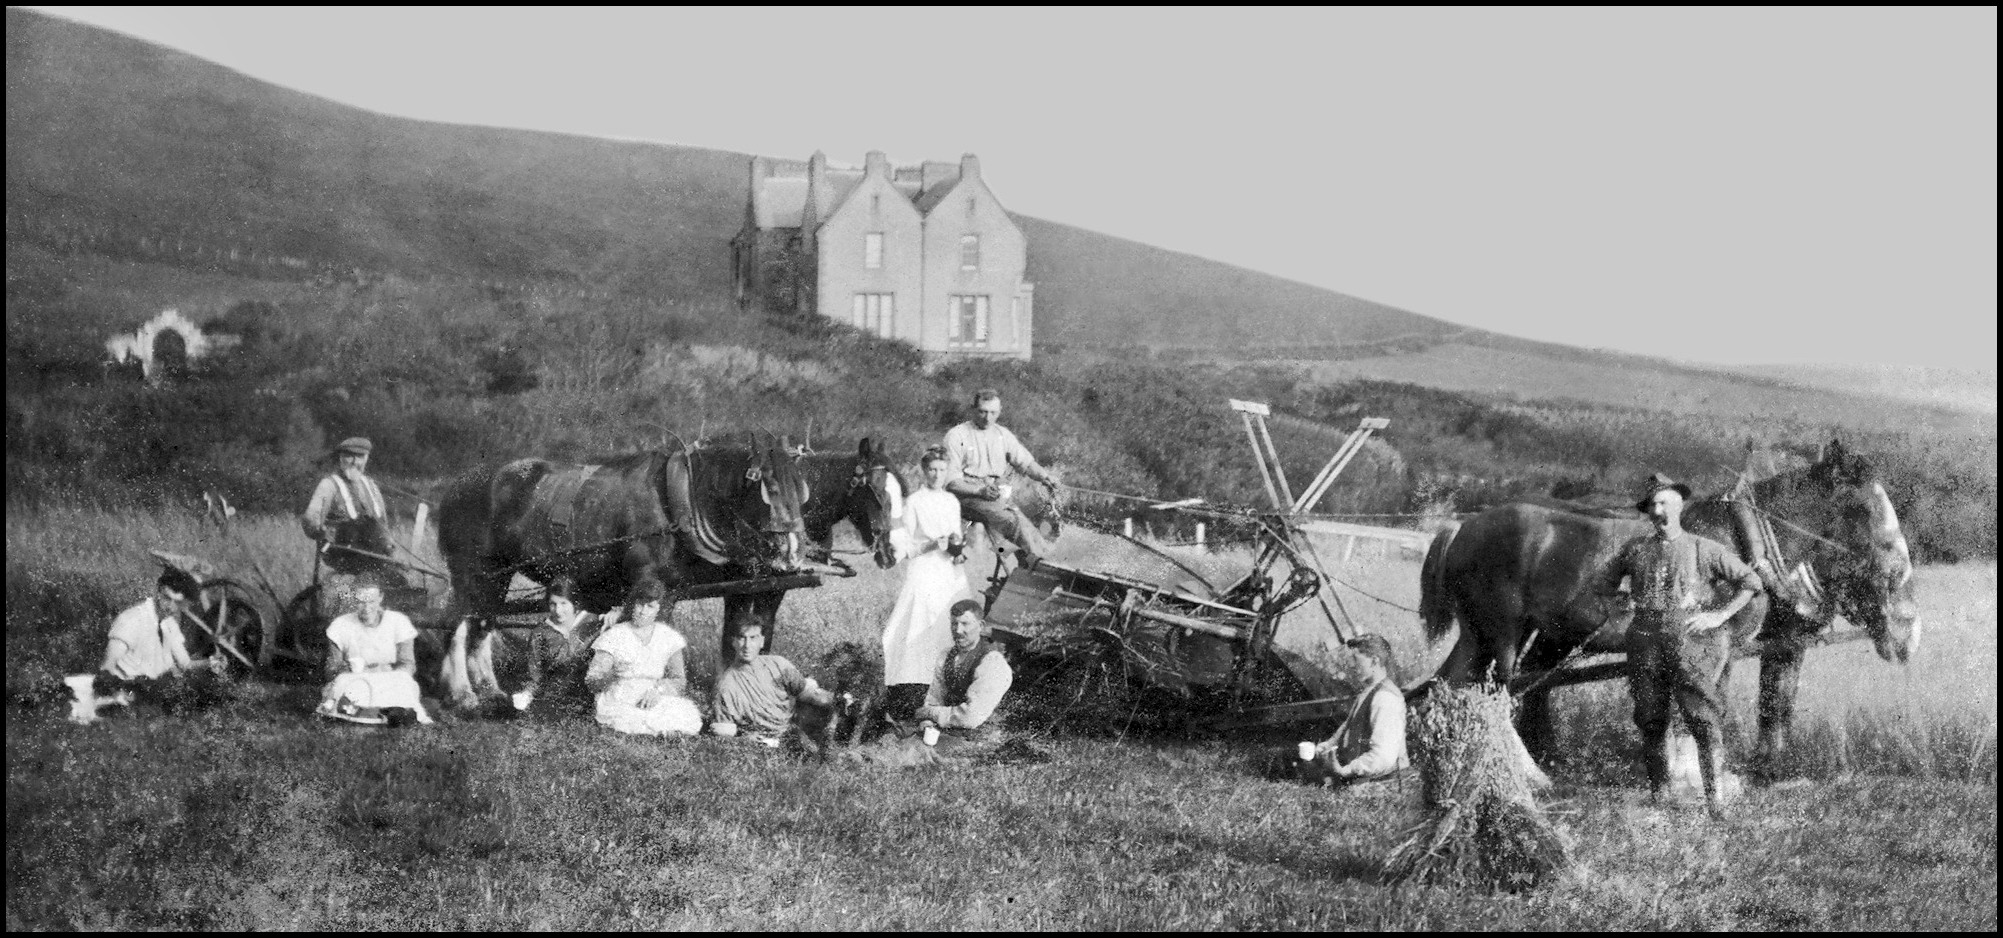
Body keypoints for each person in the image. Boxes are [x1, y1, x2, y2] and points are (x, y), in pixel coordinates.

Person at [1598, 473, 1762, 808]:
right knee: (1651, 720)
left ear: (1679, 507)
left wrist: (1718, 615)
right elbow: (1603, 584)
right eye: (1652, 506)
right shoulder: (1635, 550)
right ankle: (1661, 798)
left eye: (1664, 504)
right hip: (1644, 643)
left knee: (1702, 720)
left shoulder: (1704, 549)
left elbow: (1751, 581)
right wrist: (1620, 608)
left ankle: (1715, 803)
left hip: (1689, 646)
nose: (1658, 512)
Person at [879, 446, 973, 718]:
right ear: (924, 470)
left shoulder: (952, 502)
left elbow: (956, 538)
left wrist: (957, 552)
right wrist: (933, 544)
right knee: (919, 624)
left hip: (948, 571)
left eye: (942, 470)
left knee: (950, 623)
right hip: (924, 569)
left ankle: (946, 689)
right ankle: (910, 691)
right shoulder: (915, 502)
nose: (937, 475)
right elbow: (906, 548)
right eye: (932, 469)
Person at [942, 389, 1058, 567]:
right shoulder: (957, 435)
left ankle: (1025, 562)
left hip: (994, 494)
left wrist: (1045, 477)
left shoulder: (1002, 434)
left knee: (1022, 523)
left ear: (1000, 411)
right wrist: (980, 490)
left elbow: (1025, 462)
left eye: (993, 413)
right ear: (973, 409)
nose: (987, 418)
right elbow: (951, 482)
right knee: (1010, 520)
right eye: (982, 411)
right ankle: (1042, 563)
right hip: (967, 495)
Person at [89, 569, 224, 711]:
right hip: (129, 688)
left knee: (216, 698)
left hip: (157, 687)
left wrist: (210, 662)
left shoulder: (169, 624)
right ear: (158, 592)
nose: (170, 606)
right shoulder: (132, 619)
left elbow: (185, 663)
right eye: (166, 598)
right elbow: (107, 667)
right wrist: (115, 693)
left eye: (177, 602)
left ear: (185, 604)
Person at [585, 578, 702, 736]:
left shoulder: (667, 636)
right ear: (632, 604)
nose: (643, 611)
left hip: (652, 695)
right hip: (620, 695)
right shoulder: (614, 635)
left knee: (684, 713)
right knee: (629, 718)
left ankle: (658, 730)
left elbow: (679, 679)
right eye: (640, 604)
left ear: (659, 609)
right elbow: (592, 681)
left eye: (650, 606)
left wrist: (659, 691)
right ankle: (653, 731)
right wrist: (611, 676)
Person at [318, 577, 434, 725]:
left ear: (381, 597)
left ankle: (377, 711)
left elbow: (407, 664)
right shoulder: (341, 625)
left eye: (371, 601)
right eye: (361, 601)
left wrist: (391, 676)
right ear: (354, 598)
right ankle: (383, 711)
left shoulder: (398, 622)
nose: (366, 608)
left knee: (404, 683)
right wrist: (348, 668)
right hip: (355, 680)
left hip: (389, 679)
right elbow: (330, 669)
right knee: (345, 686)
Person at [1299, 634, 1410, 787]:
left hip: (1384, 784)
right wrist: (1328, 746)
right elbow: (1349, 726)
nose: (1351, 665)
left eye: (1356, 660)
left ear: (1374, 661)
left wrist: (1346, 770)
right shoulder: (1369, 692)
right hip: (1366, 781)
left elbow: (1383, 757)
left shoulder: (1385, 698)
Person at [710, 619, 837, 745]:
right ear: (733, 642)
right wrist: (745, 741)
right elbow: (723, 735)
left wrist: (839, 699)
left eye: (753, 638)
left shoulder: (778, 664)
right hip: (767, 743)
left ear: (762, 641)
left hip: (795, 728)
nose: (747, 645)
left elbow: (807, 693)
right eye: (742, 638)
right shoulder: (727, 685)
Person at [913, 599, 1014, 746]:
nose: (958, 631)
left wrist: (930, 713)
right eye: (954, 624)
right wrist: (927, 722)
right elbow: (935, 697)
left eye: (965, 624)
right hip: (948, 730)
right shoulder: (947, 655)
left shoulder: (992, 662)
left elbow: (971, 717)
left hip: (980, 739)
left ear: (980, 626)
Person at [301, 437, 397, 582]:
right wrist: (320, 531)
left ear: (367, 458)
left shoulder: (371, 486)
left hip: (373, 554)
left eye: (360, 457)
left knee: (398, 581)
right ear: (340, 458)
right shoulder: (329, 485)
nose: (355, 462)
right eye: (349, 456)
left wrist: (389, 546)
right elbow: (310, 518)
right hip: (342, 555)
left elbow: (383, 523)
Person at [511, 576, 608, 718]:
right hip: (556, 693)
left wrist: (616, 614)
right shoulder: (540, 633)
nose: (558, 610)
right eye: (553, 604)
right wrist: (527, 693)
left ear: (574, 603)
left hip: (589, 691)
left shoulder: (593, 622)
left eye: (564, 603)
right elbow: (535, 672)